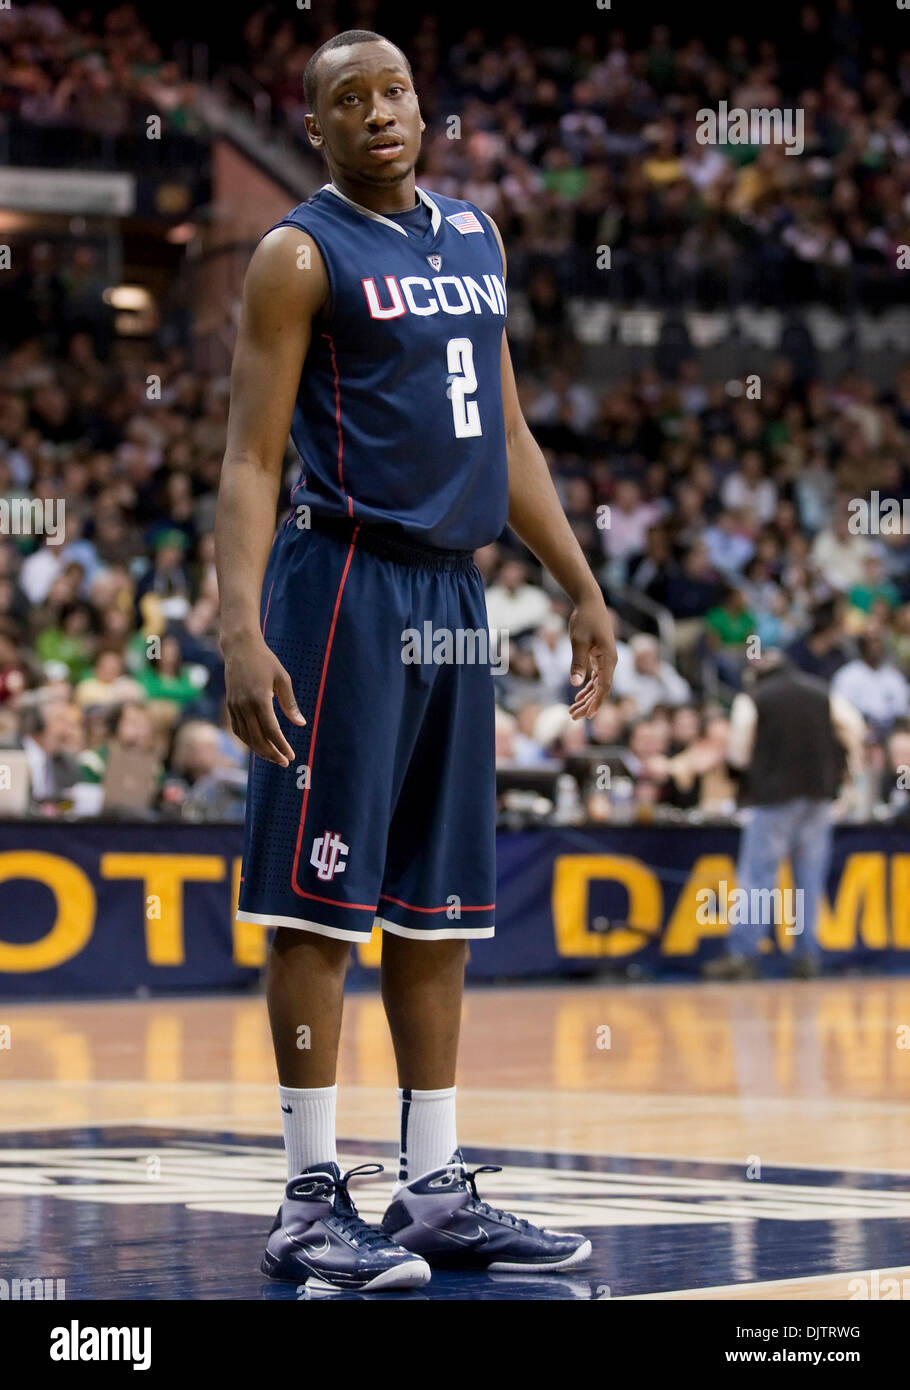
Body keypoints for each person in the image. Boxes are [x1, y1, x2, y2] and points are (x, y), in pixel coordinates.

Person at [214, 29, 616, 1294]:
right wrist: (237, 624)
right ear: (318, 127)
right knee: (316, 904)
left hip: (453, 592)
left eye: (392, 90)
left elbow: (506, 433)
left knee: (440, 905)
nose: (378, 112)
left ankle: (434, 1187)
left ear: (420, 105)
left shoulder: (477, 239)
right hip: (338, 584)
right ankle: (307, 1196)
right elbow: (247, 459)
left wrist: (581, 583)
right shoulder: (297, 254)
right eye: (349, 100)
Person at [707, 652, 865, 980]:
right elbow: (854, 727)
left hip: (774, 797)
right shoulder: (821, 692)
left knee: (758, 877)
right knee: (808, 878)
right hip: (818, 796)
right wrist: (848, 778)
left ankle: (743, 955)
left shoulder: (755, 698)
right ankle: (806, 956)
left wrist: (749, 773)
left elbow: (738, 751)